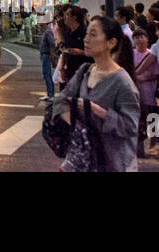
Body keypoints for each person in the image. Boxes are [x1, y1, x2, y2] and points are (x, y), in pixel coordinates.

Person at [50, 15, 140, 172]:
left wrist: (99, 112)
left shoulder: (122, 82)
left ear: (111, 43)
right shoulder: (85, 71)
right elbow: (60, 101)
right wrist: (78, 127)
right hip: (84, 161)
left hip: (113, 163)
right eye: (86, 34)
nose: (86, 39)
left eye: (93, 34)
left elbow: (130, 127)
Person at [132, 28, 159, 157]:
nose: (139, 39)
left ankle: (153, 145)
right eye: (136, 37)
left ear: (147, 39)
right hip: (136, 92)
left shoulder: (151, 54)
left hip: (150, 90)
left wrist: (144, 78)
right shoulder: (131, 54)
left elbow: (157, 74)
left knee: (153, 117)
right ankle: (139, 146)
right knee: (139, 118)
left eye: (142, 36)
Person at [59, 6, 89, 84]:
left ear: (74, 17)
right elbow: (65, 51)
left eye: (68, 14)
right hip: (70, 70)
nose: (65, 17)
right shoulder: (67, 33)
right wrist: (62, 68)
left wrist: (81, 52)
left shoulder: (85, 32)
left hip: (84, 71)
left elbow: (95, 53)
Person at [39, 11, 57, 100]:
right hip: (44, 55)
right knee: (46, 74)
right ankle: (49, 94)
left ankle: (51, 94)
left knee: (47, 74)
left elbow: (52, 44)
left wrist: (52, 56)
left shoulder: (48, 32)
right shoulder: (46, 31)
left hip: (46, 55)